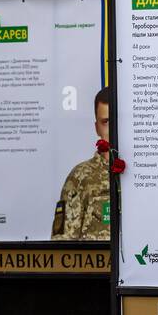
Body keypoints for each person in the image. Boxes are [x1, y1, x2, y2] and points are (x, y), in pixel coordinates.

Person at [51, 86, 111, 240]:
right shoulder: (81, 177)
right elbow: (63, 245)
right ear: (97, 128)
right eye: (106, 122)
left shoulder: (145, 175)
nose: (114, 129)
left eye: (118, 120)